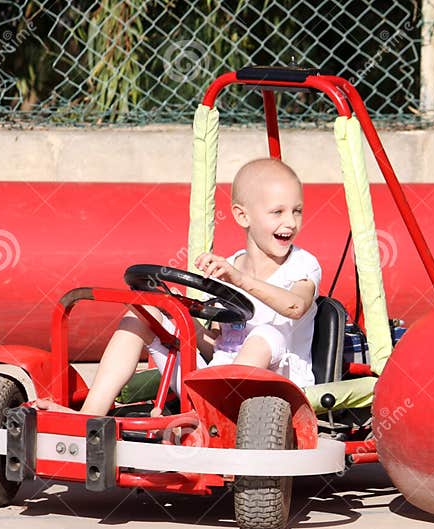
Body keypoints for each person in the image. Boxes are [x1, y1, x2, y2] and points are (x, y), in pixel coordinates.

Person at [37, 157, 322, 416]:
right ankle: (90, 416)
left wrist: (239, 279)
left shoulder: (302, 265)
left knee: (266, 334)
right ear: (242, 216)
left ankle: (217, 417)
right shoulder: (231, 265)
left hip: (277, 389)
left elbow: (295, 306)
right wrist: (179, 314)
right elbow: (219, 342)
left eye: (297, 211)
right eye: (278, 212)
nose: (290, 222)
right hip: (212, 382)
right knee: (144, 313)